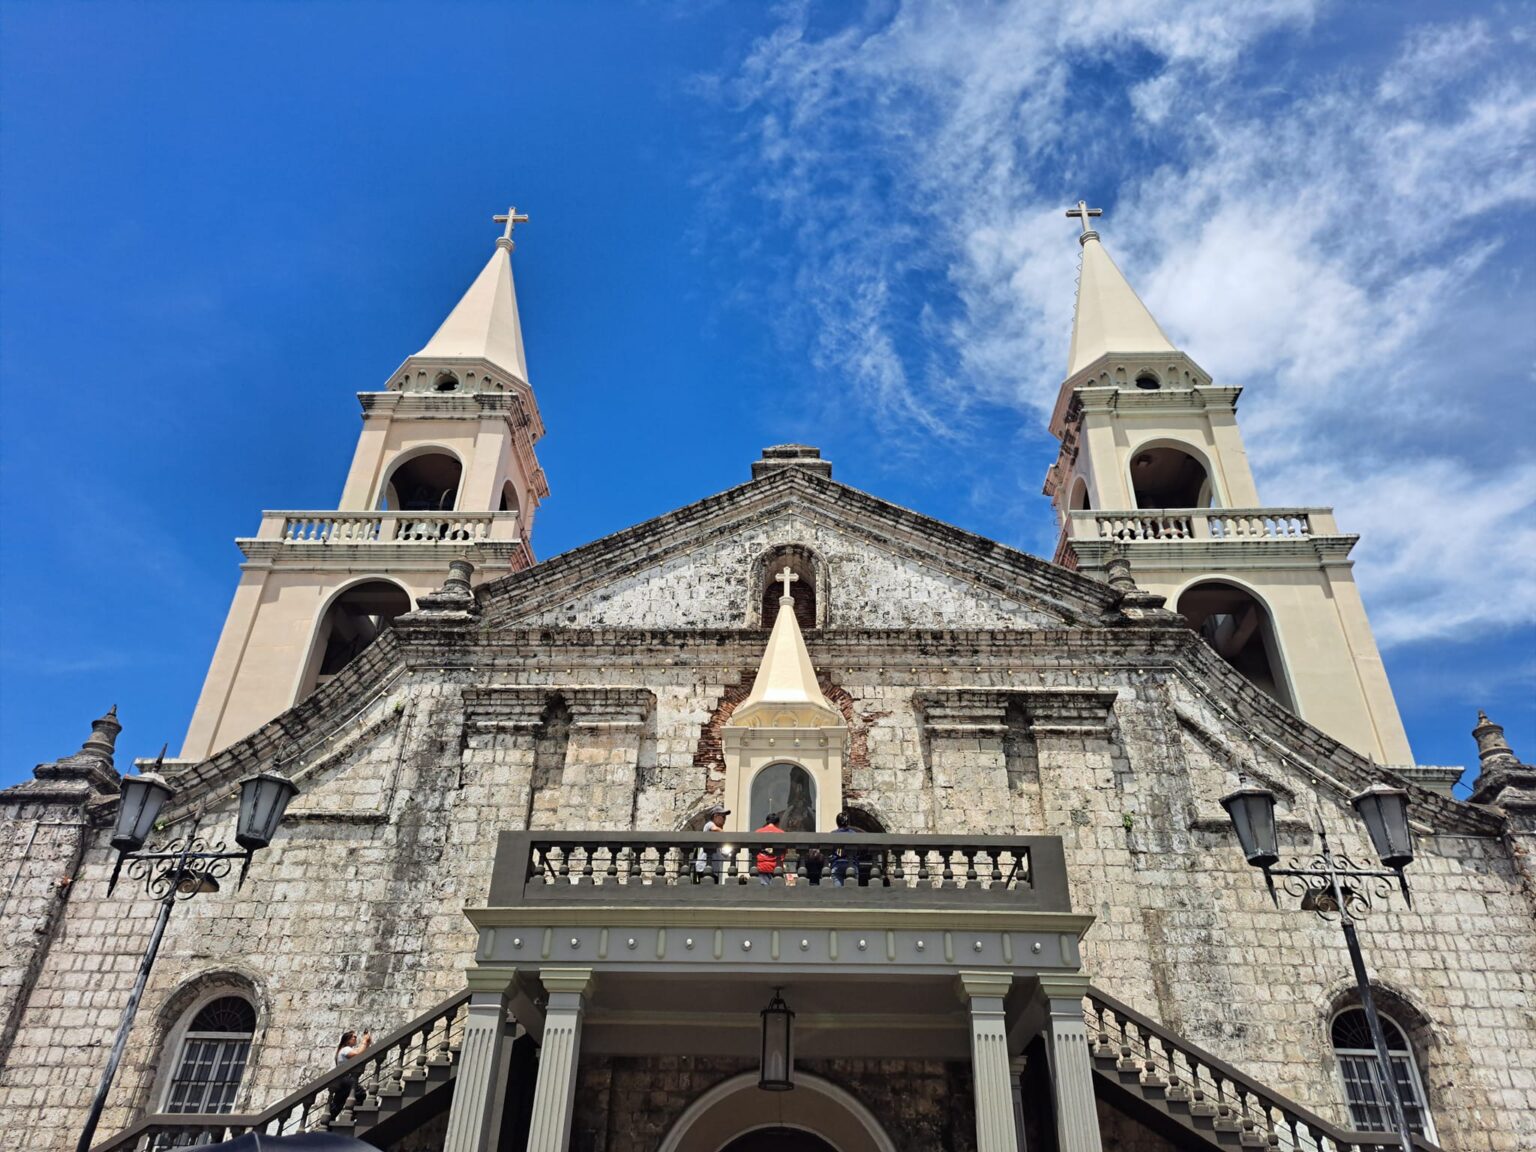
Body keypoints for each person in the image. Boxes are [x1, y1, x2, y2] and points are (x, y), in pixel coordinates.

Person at [328, 1028, 372, 1122]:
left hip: (342, 1079)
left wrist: (367, 1043)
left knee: (338, 1103)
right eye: (354, 1037)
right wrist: (364, 1041)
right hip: (346, 1078)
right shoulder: (346, 1049)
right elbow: (357, 1053)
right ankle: (353, 1115)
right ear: (348, 1040)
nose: (355, 1039)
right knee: (360, 1093)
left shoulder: (344, 1050)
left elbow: (360, 1052)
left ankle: (328, 1122)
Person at [694, 805, 730, 884]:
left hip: (714, 869)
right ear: (715, 816)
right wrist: (728, 837)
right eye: (723, 817)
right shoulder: (709, 824)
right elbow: (715, 829)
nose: (724, 820)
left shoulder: (720, 834)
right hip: (704, 867)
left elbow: (724, 853)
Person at [829, 810, 861, 887]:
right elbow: (858, 850)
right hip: (852, 863)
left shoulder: (833, 834)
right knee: (852, 893)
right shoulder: (854, 834)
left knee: (839, 894)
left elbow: (830, 851)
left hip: (837, 864)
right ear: (848, 823)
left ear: (837, 823)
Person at [755, 812, 785, 885]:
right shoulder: (781, 833)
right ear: (778, 823)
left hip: (761, 867)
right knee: (775, 893)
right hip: (776, 868)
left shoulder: (758, 832)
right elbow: (783, 853)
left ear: (767, 821)